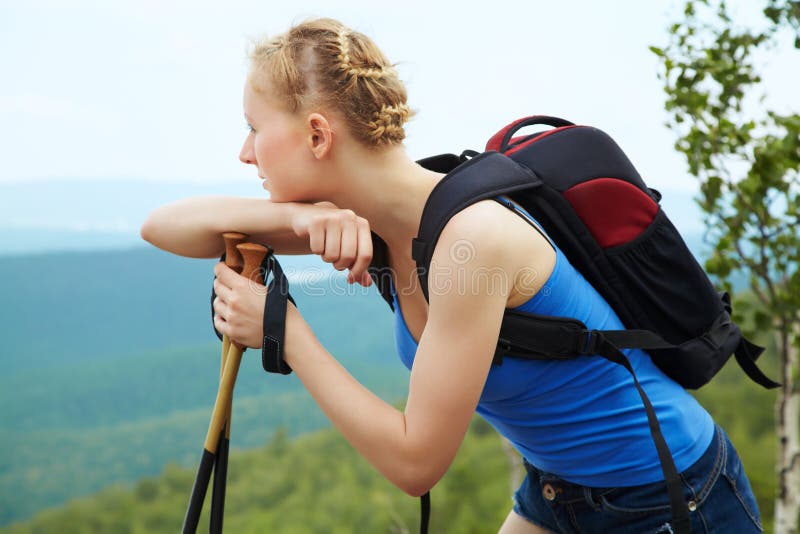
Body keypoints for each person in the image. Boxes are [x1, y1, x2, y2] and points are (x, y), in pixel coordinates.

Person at [140, 17, 763, 533]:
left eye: (254, 128)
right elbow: (164, 227)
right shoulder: (375, 218)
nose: (244, 152)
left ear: (317, 134)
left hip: (669, 496)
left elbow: (416, 463)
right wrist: (300, 218)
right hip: (559, 491)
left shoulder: (472, 242)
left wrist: (286, 332)